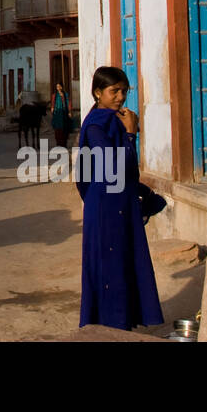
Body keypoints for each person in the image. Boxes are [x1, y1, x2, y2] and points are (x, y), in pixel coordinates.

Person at [76, 66, 163, 331]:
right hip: (106, 204)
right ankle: (111, 326)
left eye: (124, 91)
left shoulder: (113, 119)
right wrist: (130, 134)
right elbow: (110, 167)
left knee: (123, 261)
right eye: (114, 91)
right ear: (97, 93)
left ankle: (121, 323)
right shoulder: (97, 125)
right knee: (110, 265)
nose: (120, 97)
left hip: (116, 201)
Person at [51, 83, 70, 147]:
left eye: (59, 86)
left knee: (65, 128)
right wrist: (52, 108)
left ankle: (64, 143)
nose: (58, 88)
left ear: (61, 87)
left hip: (64, 113)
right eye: (57, 87)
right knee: (57, 129)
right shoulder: (54, 95)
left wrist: (69, 112)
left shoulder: (65, 95)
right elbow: (53, 104)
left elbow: (68, 103)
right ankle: (58, 143)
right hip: (57, 113)